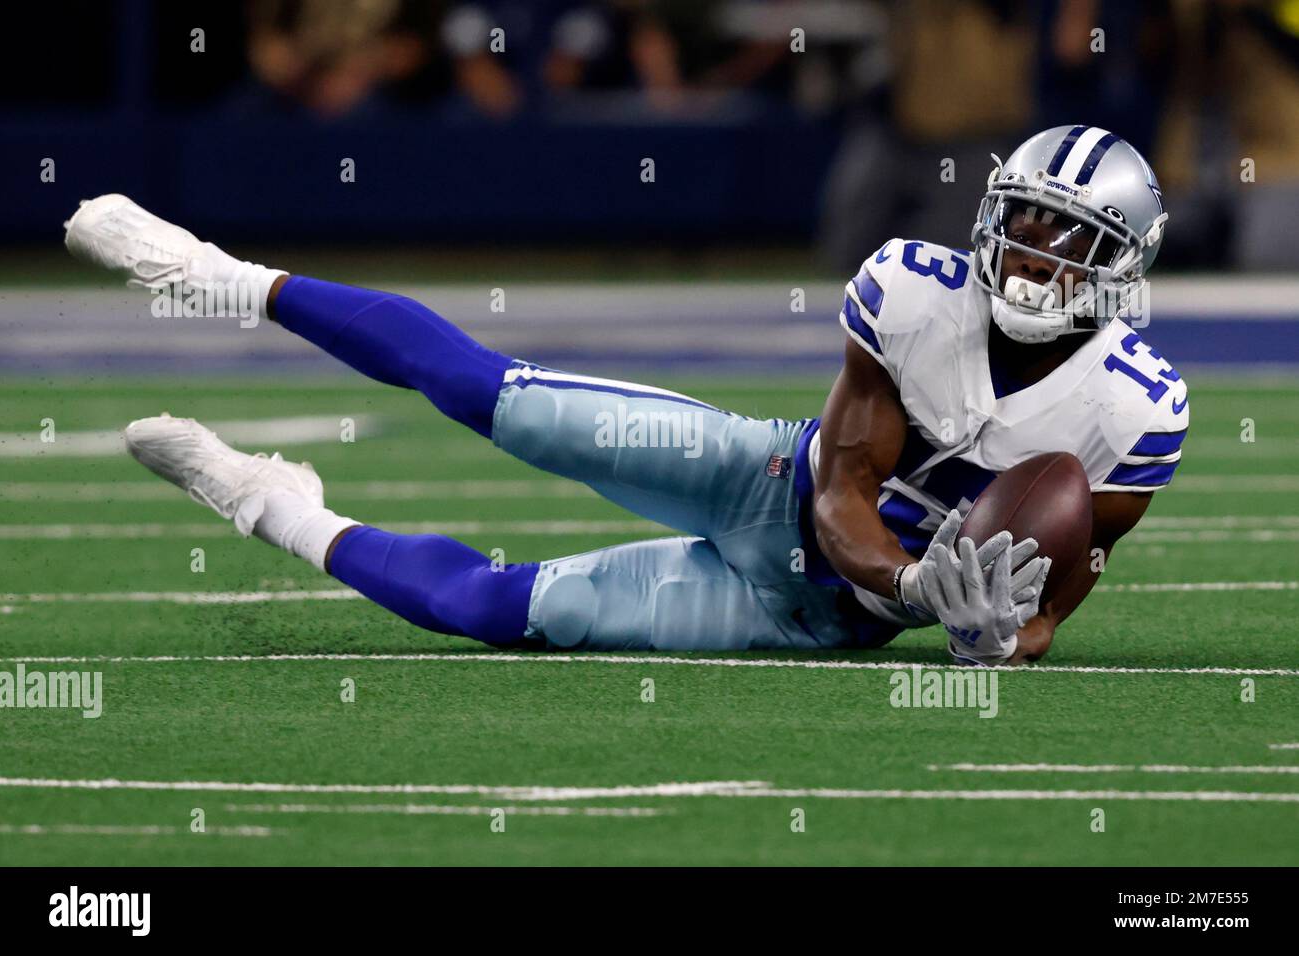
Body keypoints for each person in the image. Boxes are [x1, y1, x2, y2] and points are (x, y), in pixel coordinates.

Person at [63, 125, 1184, 665]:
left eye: (1065, 245)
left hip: (798, 622)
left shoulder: (1136, 408)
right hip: (765, 478)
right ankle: (211, 273)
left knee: (489, 612)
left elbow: (1051, 598)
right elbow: (845, 486)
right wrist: (908, 573)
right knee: (487, 391)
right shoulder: (911, 288)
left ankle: (267, 502)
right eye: (1020, 227)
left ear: (1121, 265)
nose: (1030, 262)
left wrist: (994, 638)